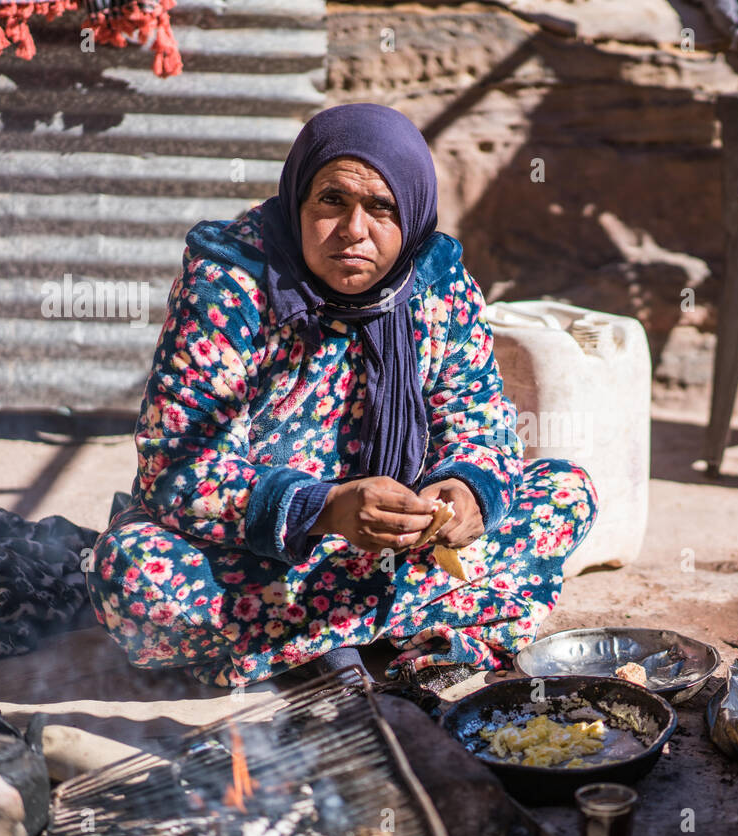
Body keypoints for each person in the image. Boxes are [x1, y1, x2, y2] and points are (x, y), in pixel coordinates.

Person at [86, 103, 598, 689]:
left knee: (567, 493)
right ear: (299, 197)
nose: (354, 230)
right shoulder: (229, 284)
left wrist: (466, 492)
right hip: (269, 554)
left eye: (382, 208)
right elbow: (177, 469)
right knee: (134, 576)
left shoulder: (440, 282)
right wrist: (325, 507)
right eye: (332, 201)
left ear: (412, 214)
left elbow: (482, 429)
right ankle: (434, 625)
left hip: (401, 544)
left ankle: (308, 640)